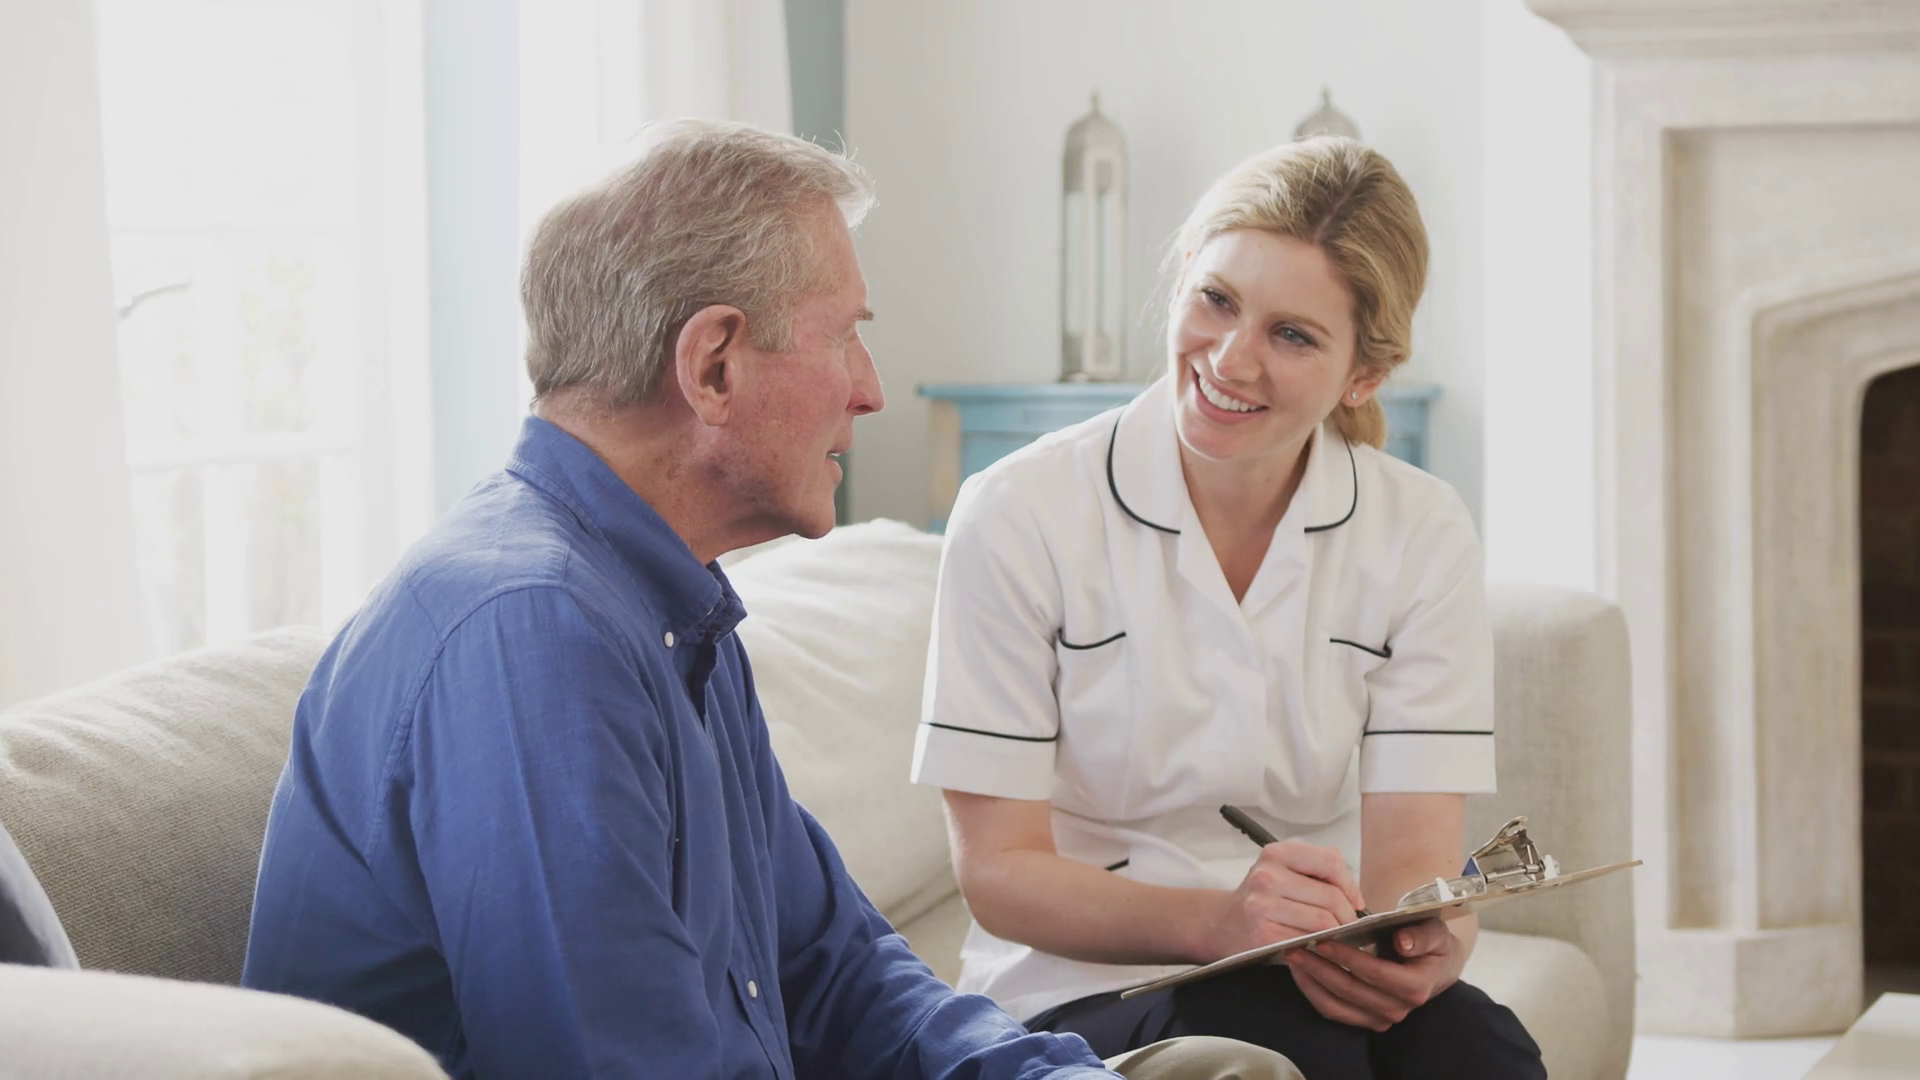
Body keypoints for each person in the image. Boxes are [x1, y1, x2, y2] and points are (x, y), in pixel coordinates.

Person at [241, 121, 1300, 1080]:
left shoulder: (672, 610)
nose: (871, 387)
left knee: (1218, 1073)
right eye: (845, 334)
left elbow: (835, 969)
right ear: (711, 366)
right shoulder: (532, 634)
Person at [912, 136, 1547, 1079]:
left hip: (1305, 966)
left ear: (1363, 376)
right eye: (1217, 301)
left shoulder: (1422, 530)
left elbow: (1412, 863)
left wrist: (1428, 942)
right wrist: (1221, 922)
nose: (1231, 358)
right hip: (1079, 989)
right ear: (1180, 284)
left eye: (1293, 335)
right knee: (1302, 1045)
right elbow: (999, 876)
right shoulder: (1018, 512)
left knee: (1481, 1048)